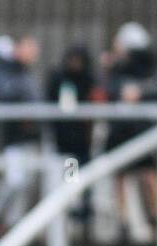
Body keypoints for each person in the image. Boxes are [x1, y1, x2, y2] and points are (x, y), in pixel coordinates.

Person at [103, 23, 157, 243]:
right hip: (121, 131)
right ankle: (123, 223)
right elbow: (109, 92)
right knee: (120, 177)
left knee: (148, 176)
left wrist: (140, 93)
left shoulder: (150, 70)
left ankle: (156, 220)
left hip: (142, 131)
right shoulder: (116, 70)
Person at [0, 35, 42, 235]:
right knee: (15, 178)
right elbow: (6, 95)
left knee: (27, 181)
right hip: (14, 136)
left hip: (31, 136)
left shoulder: (25, 74)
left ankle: (13, 223)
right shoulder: (7, 72)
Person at [46, 45, 97, 230]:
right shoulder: (60, 80)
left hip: (85, 144)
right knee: (72, 181)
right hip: (68, 145)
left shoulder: (88, 80)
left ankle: (85, 216)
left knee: (87, 182)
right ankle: (73, 216)